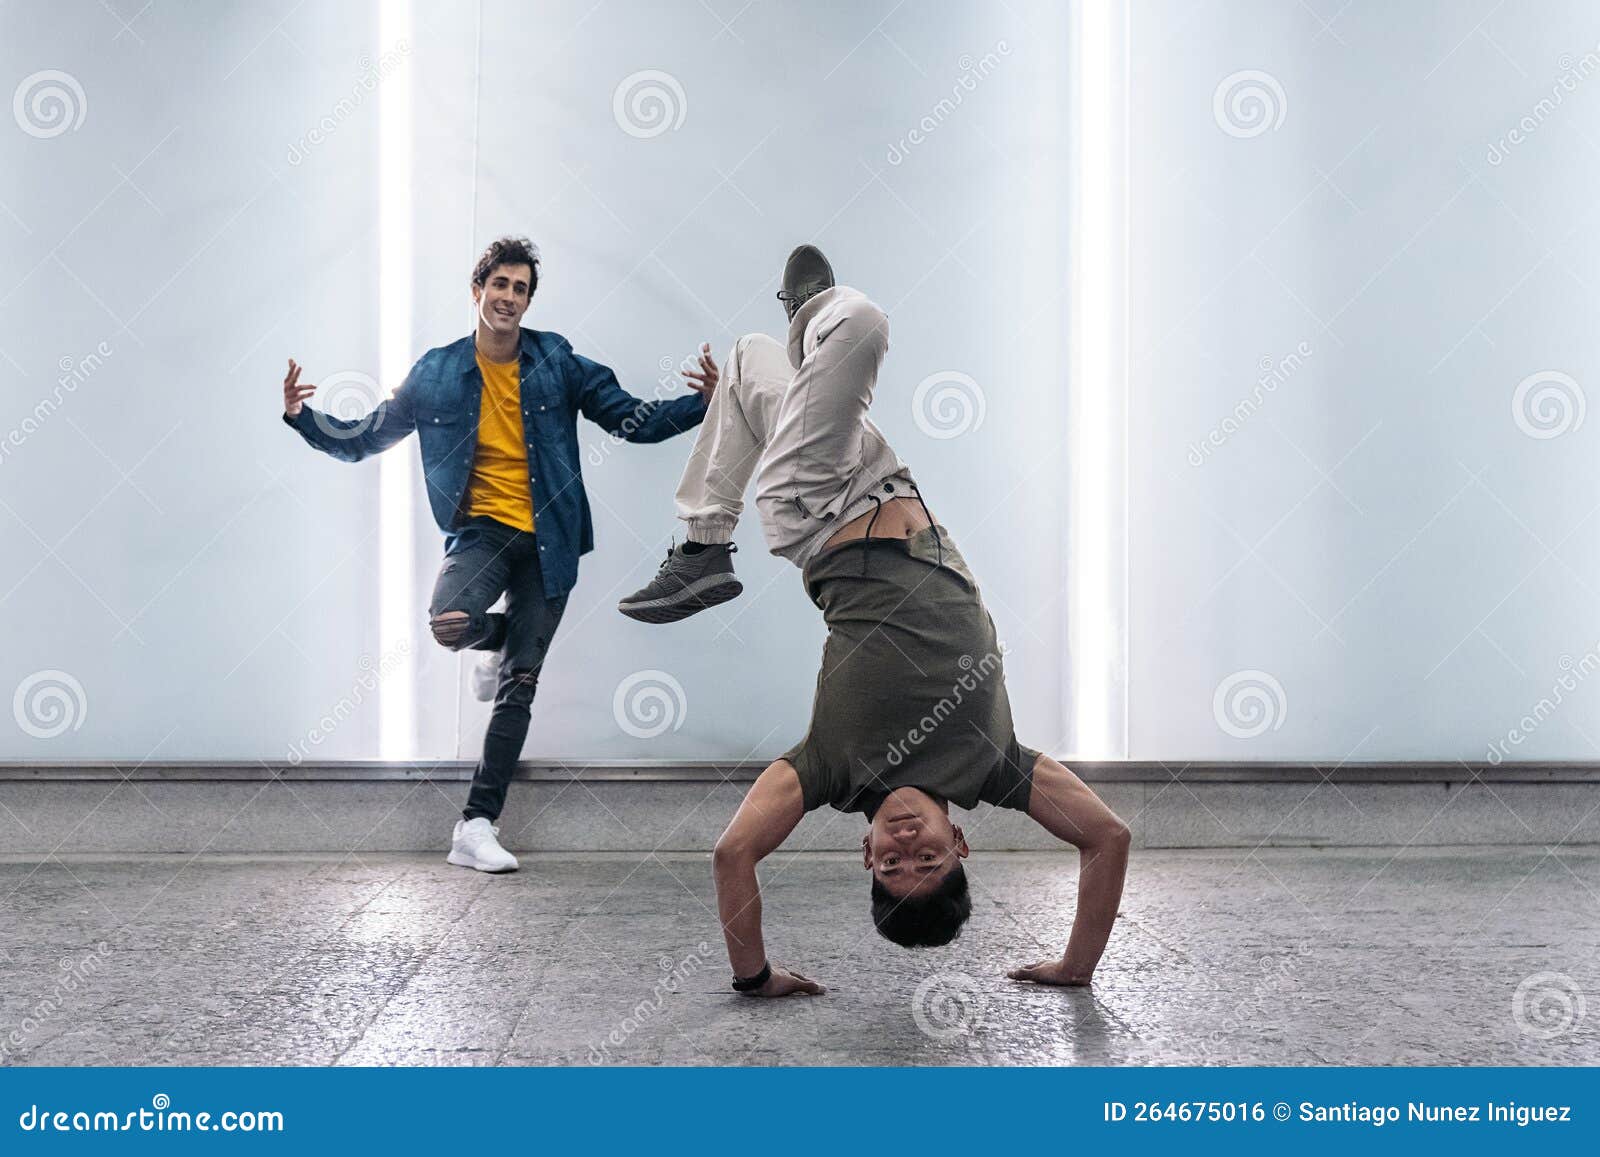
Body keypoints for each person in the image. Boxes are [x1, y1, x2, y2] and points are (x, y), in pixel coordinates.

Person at [620, 245, 1131, 997]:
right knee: (749, 360)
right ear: (960, 842)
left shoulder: (830, 767)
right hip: (882, 477)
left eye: (893, 864)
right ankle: (781, 354)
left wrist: (753, 976)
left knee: (858, 321)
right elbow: (1108, 836)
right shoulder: (995, 766)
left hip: (816, 511)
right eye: (929, 860)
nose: (906, 846)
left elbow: (732, 854)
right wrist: (1077, 968)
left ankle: (704, 544)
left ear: (864, 853)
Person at [282, 236, 714, 873]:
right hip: (482, 536)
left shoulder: (555, 359)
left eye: (520, 288)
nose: (509, 297)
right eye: (500, 284)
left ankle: (475, 825)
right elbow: (366, 437)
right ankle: (512, 639)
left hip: (552, 539)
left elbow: (629, 417)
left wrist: (701, 404)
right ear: (477, 289)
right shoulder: (435, 372)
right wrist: (303, 416)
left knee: (520, 684)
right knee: (448, 623)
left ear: (528, 300)